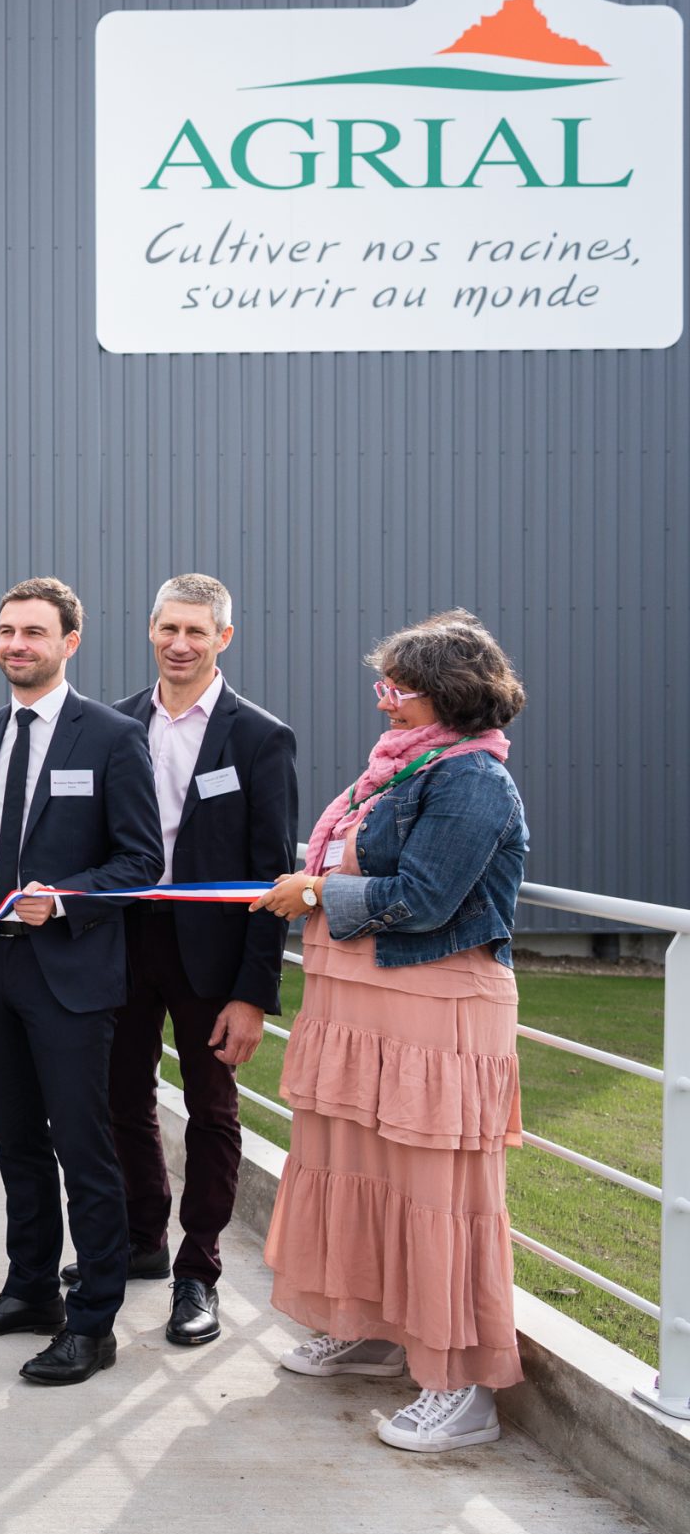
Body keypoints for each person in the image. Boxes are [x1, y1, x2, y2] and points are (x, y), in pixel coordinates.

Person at [258, 610, 529, 1454]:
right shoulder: (403, 766)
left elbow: (423, 899)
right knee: (354, 1165)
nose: (383, 705)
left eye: (397, 690)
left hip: (431, 1012)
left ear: (448, 695)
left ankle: (461, 1385)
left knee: (432, 1192)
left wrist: (311, 894)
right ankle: (370, 1325)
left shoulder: (473, 779)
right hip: (363, 1005)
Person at [0, 577, 162, 1386]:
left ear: (71, 641)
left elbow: (142, 862)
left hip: (72, 975)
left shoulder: (110, 736)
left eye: (34, 632)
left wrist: (65, 902)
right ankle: (31, 1289)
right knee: (15, 1145)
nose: (17, 645)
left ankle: (94, 1320)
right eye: (6, 631)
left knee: (83, 1148)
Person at [98, 575, 298, 1347]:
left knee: (212, 1111)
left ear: (224, 639)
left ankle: (199, 1271)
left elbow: (272, 874)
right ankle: (142, 1239)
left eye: (196, 632)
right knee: (121, 1098)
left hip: (212, 955)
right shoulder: (115, 724)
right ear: (150, 630)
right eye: (168, 629)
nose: (180, 645)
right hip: (125, 942)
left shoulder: (258, 737)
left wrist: (254, 993)